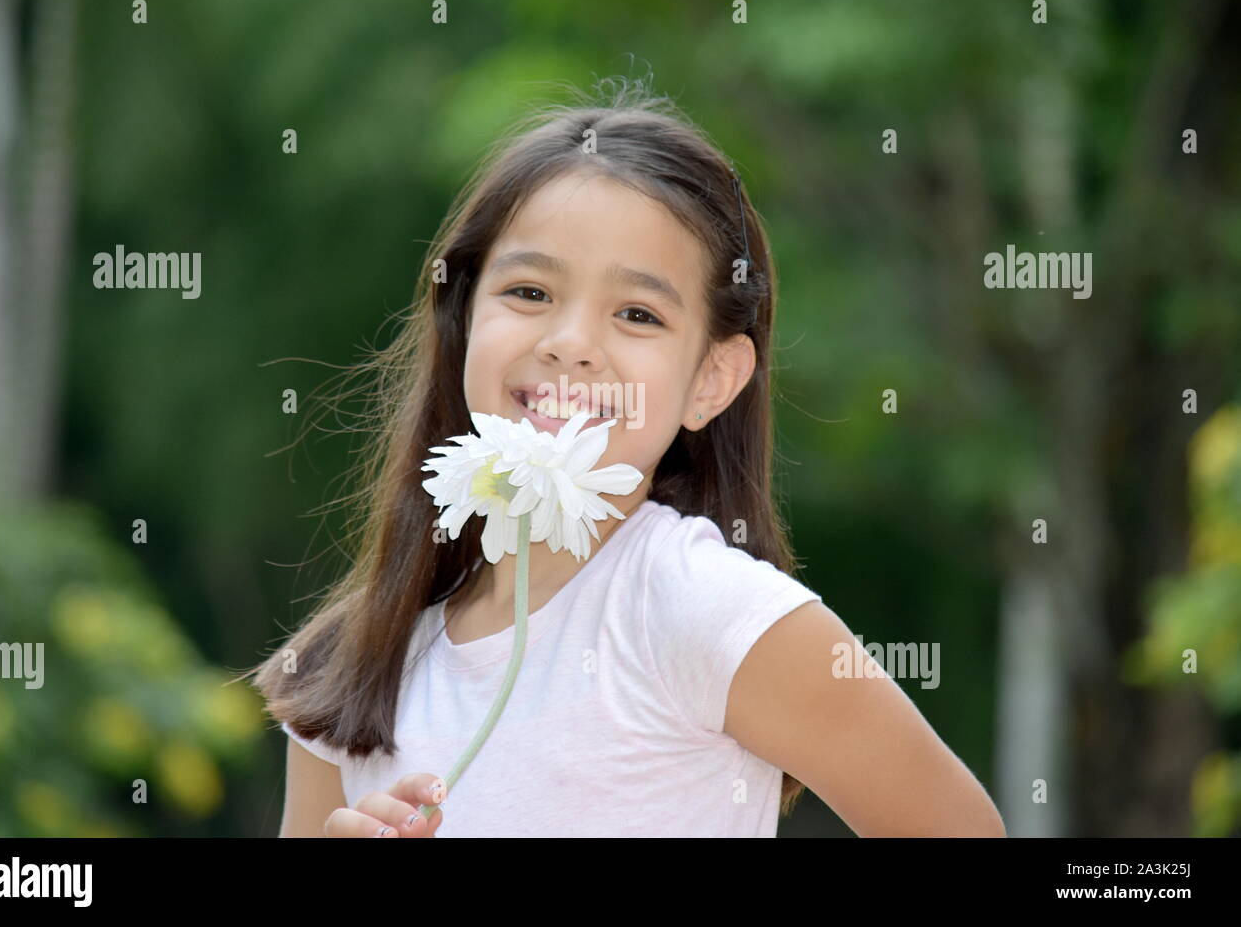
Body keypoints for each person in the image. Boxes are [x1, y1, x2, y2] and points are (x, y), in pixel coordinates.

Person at [248, 76, 1007, 838]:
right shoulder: (347, 661)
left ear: (711, 381)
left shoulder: (708, 611)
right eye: (529, 292)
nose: (570, 344)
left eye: (637, 313)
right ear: (464, 320)